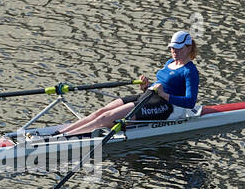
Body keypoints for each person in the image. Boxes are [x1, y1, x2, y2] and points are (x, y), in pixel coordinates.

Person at [55, 30, 200, 137]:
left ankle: (66, 138)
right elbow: (160, 85)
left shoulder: (190, 71)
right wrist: (145, 87)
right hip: (151, 97)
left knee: (105, 118)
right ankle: (61, 132)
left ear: (188, 47)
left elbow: (190, 102)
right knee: (101, 111)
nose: (174, 51)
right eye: (172, 47)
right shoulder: (170, 62)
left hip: (168, 107)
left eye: (178, 48)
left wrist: (164, 94)